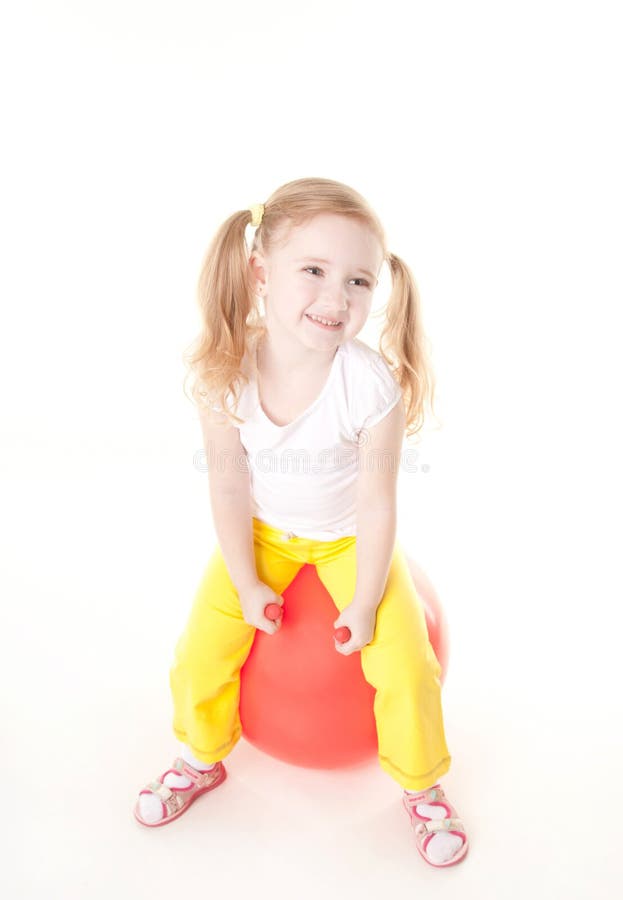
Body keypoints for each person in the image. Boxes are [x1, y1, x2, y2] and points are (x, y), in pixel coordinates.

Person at [132, 177, 469, 868]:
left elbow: (377, 502)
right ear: (261, 271)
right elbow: (227, 485)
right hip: (259, 536)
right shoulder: (226, 370)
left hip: (348, 539)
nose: (335, 297)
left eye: (357, 281)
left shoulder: (368, 384)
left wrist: (369, 600)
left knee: (406, 663)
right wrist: (246, 581)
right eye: (312, 270)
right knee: (201, 651)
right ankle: (201, 756)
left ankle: (422, 784)